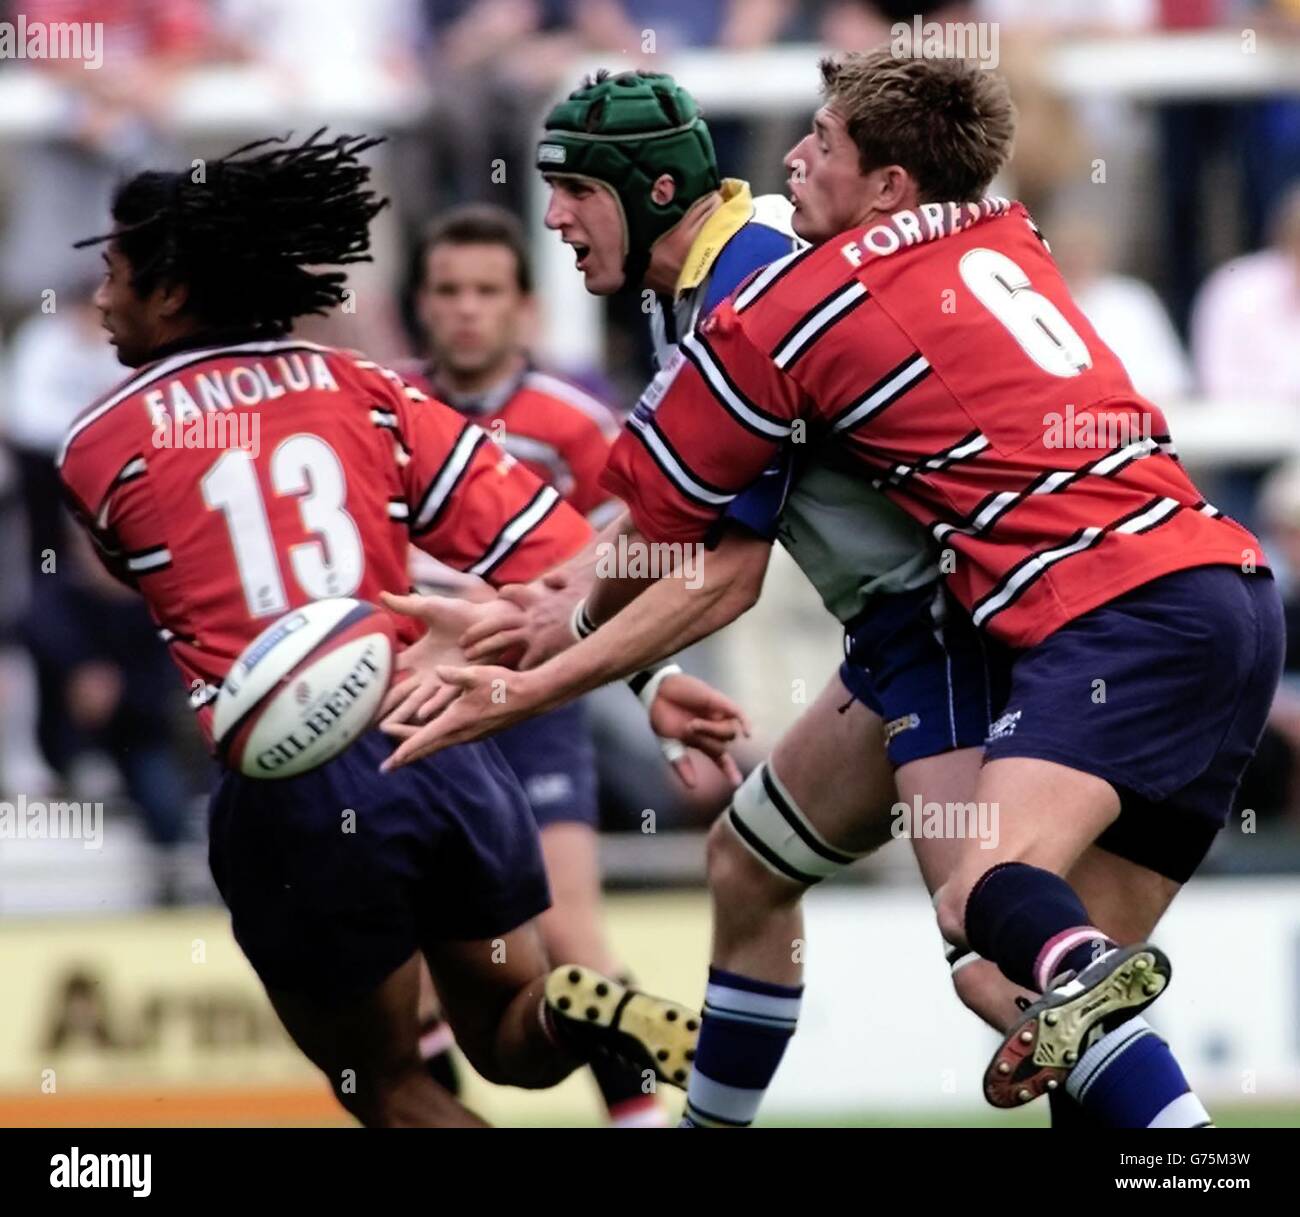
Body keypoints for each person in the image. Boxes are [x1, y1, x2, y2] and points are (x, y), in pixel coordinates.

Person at [387, 53, 1283, 1128]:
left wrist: (543, 675)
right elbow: (666, 529)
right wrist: (542, 613)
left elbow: (710, 561)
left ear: (650, 192)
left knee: (992, 951)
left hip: (974, 630)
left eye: (575, 190)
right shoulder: (972, 232)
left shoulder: (773, 302)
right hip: (1189, 580)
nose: (792, 160)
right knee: (756, 865)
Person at [57, 131, 735, 1126]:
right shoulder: (370, 390)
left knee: (385, 1082)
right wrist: (646, 678)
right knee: (515, 1036)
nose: (98, 299)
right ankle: (588, 1004)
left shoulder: (97, 444)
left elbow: (145, 573)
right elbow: (554, 551)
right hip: (440, 738)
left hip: (293, 786)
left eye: (111, 273)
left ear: (169, 295)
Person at [400, 201, 662, 1125]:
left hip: (534, 703)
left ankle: (641, 1115)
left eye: (487, 291)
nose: (466, 309)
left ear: (524, 307)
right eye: (447, 290)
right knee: (415, 981)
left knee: (570, 938)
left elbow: (632, 567)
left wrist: (654, 681)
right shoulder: (383, 408)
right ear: (420, 304)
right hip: (408, 708)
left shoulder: (577, 424)